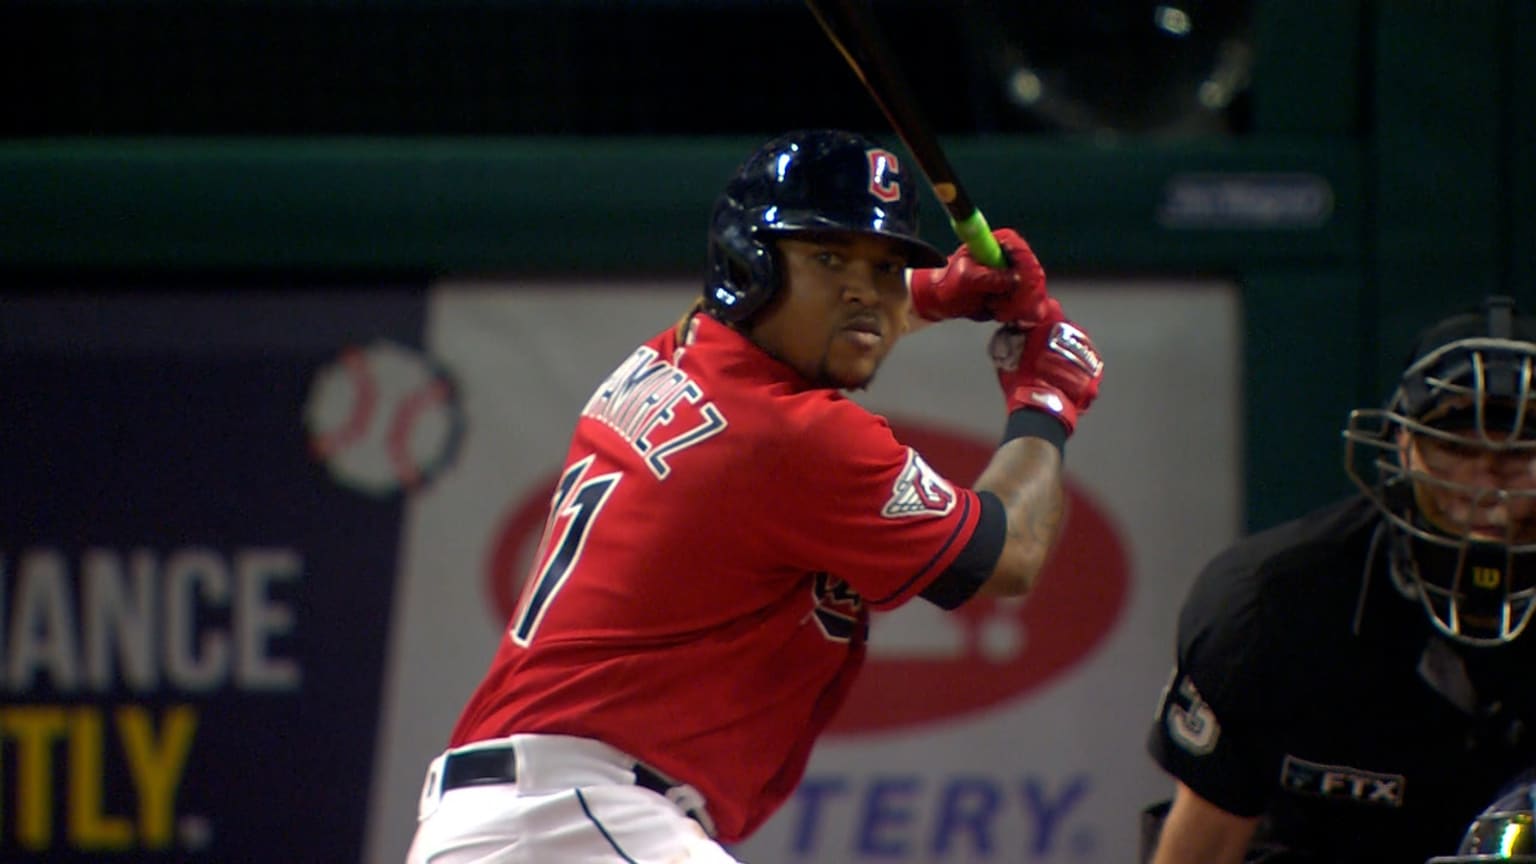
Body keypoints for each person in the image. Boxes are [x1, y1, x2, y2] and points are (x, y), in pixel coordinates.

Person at [404, 128, 1105, 863]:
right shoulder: (798, 438)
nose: (866, 289)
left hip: (517, 818)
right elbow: (1007, 555)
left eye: (887, 263)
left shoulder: (681, 345)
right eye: (829, 258)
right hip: (575, 819)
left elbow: (832, 313)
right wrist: (1046, 399)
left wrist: (939, 292)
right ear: (752, 262)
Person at [1143, 294, 1536, 864]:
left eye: (1521, 445)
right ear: (1403, 446)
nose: (1486, 480)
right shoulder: (1273, 606)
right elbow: (1202, 846)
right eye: (1455, 442)